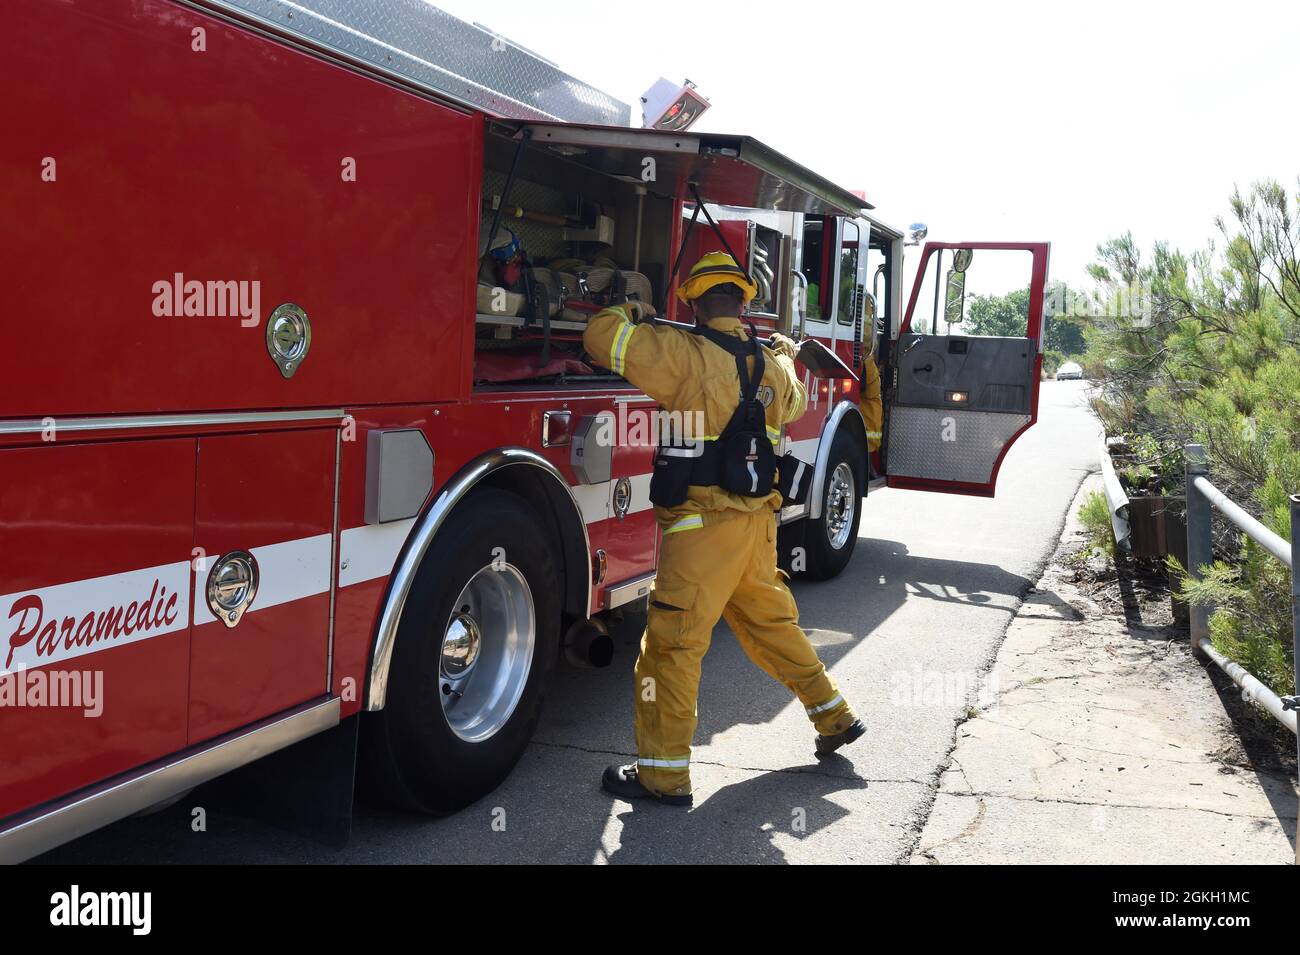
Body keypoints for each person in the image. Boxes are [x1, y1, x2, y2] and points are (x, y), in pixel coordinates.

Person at [583, 251, 865, 807]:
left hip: (701, 528)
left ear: (692, 303)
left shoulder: (682, 354)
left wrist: (633, 309)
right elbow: (794, 402)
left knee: (672, 647)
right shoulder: (772, 363)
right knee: (772, 625)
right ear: (744, 302)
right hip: (758, 525)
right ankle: (834, 715)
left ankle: (662, 777)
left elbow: (600, 338)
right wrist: (782, 351)